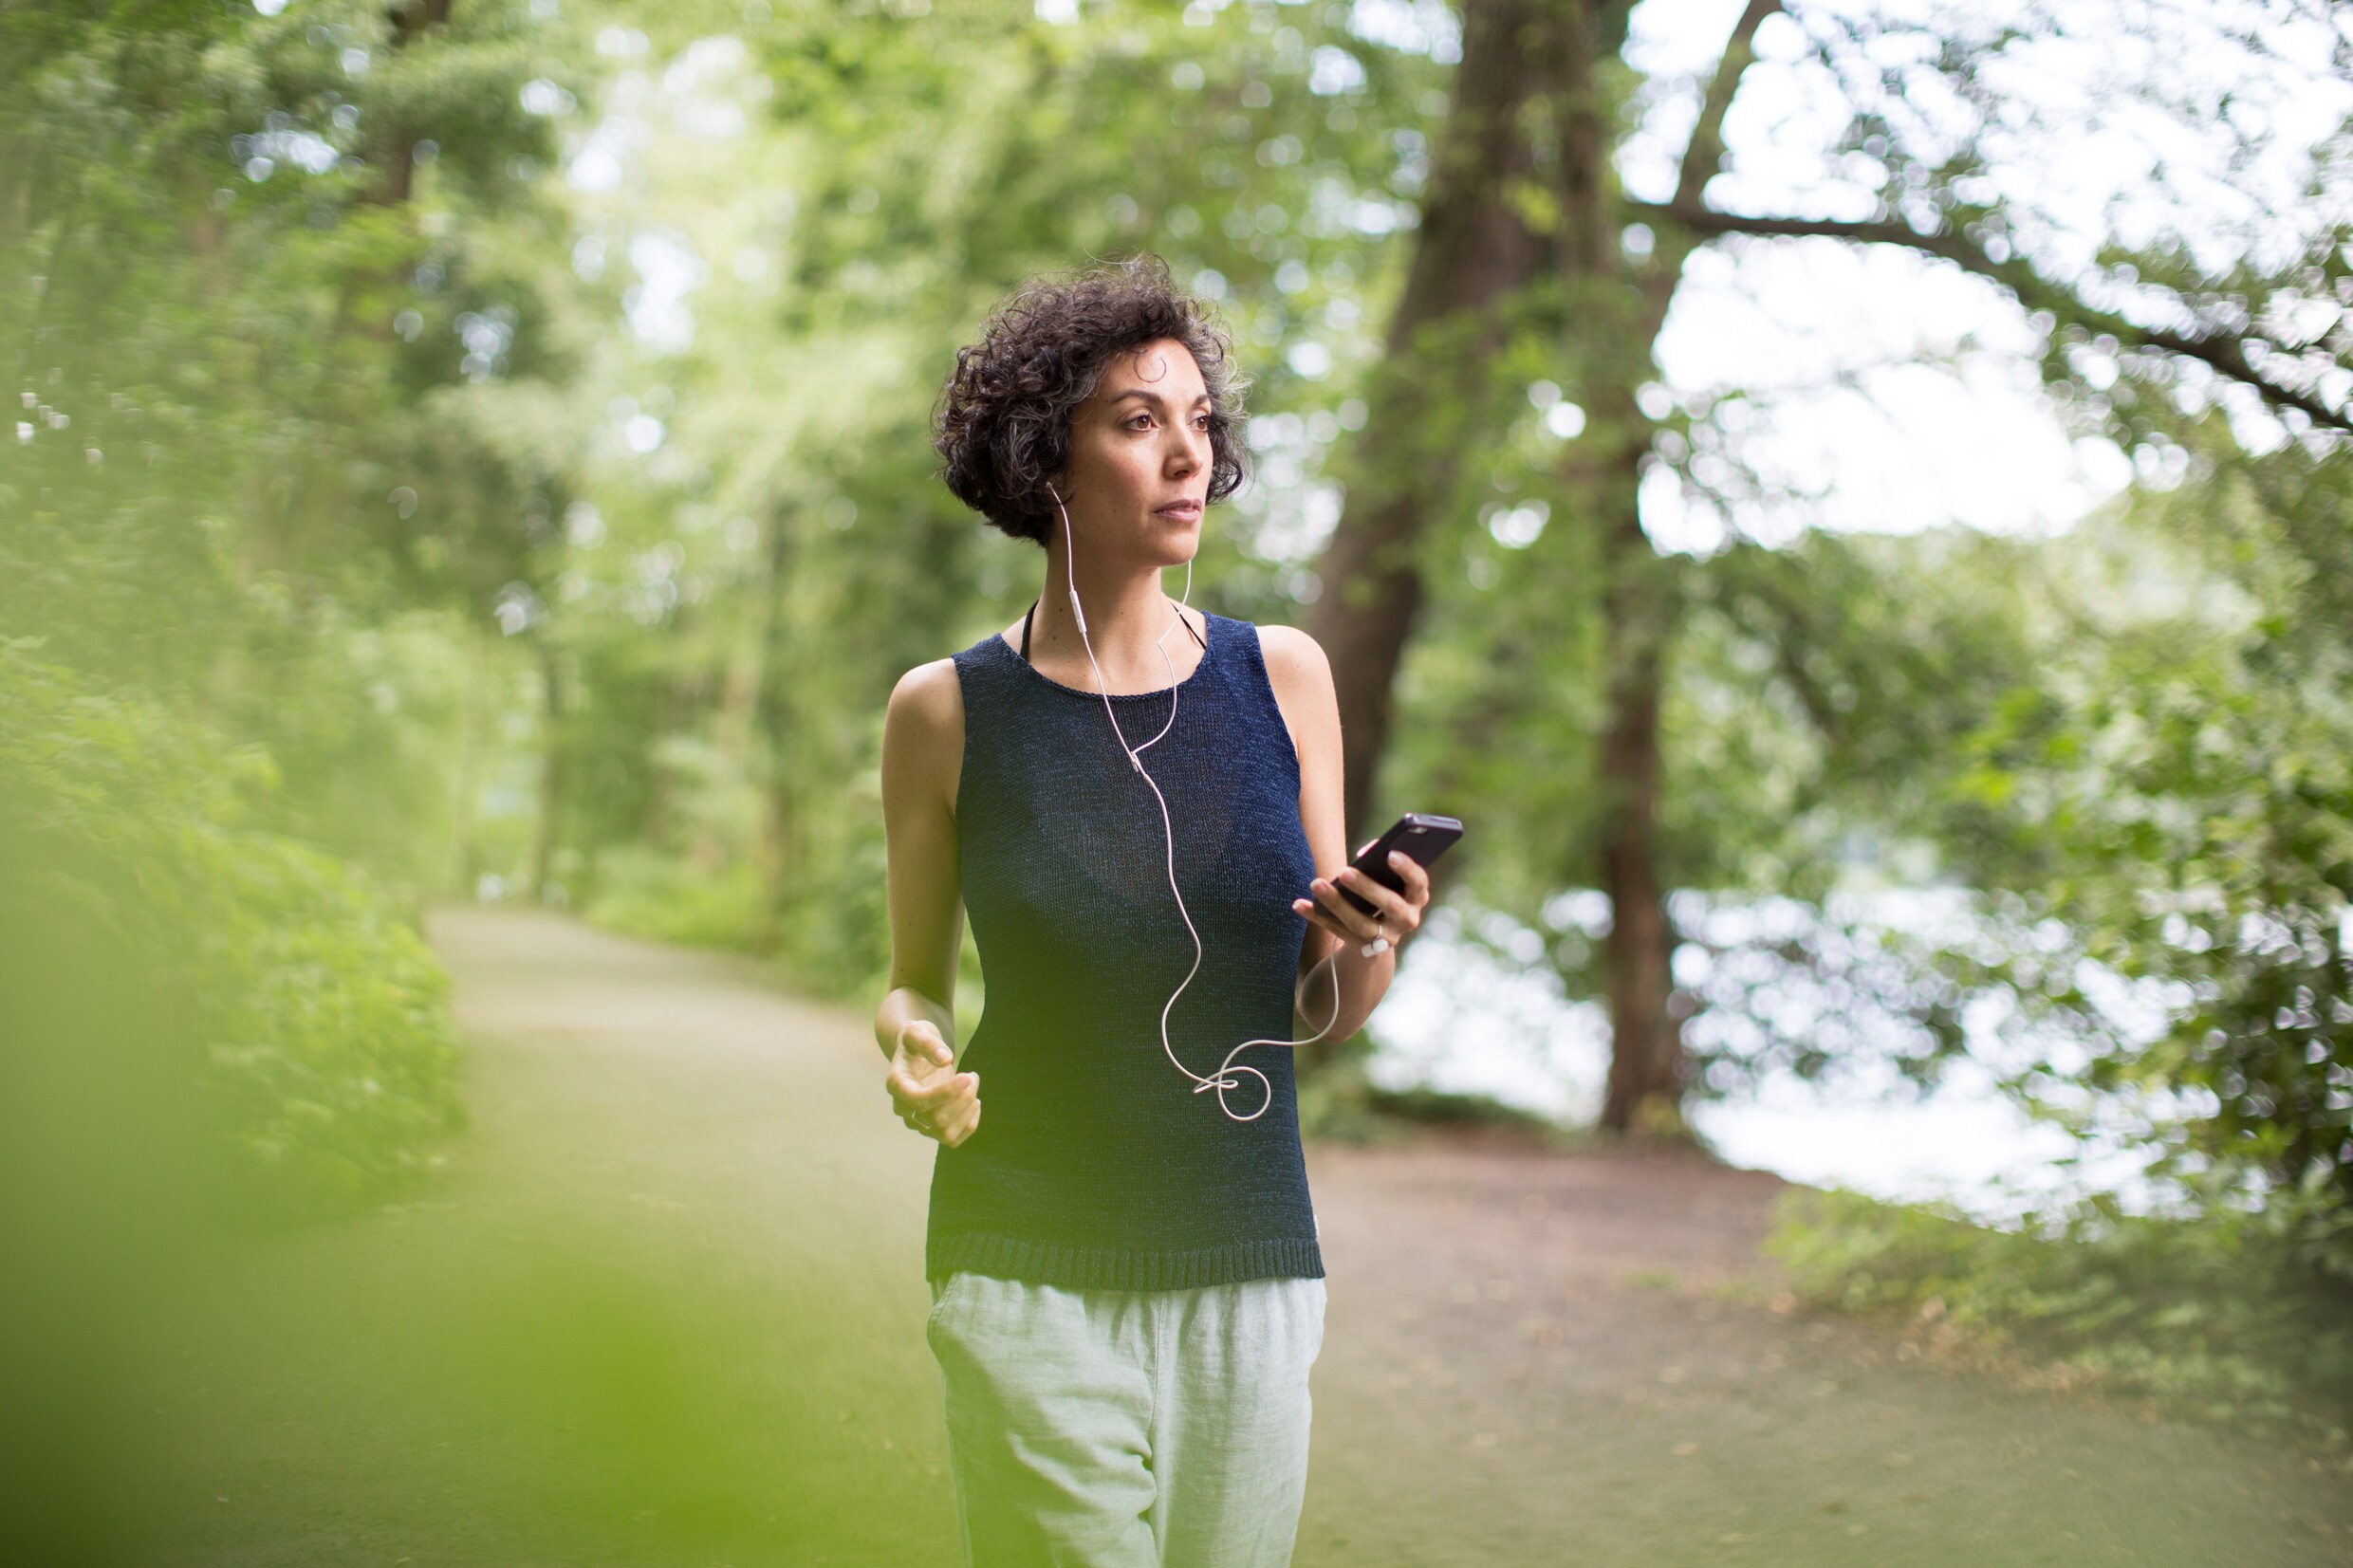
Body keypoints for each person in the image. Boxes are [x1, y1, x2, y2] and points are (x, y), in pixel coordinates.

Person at [873, 255, 1431, 1568]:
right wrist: (910, 1046)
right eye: (1137, 420)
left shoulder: (1282, 677)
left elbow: (1324, 1011)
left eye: (1200, 421)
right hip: (1026, 1261)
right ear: (1045, 459)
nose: (1188, 454)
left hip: (1252, 1261)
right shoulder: (944, 711)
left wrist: (1366, 940)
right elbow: (914, 982)